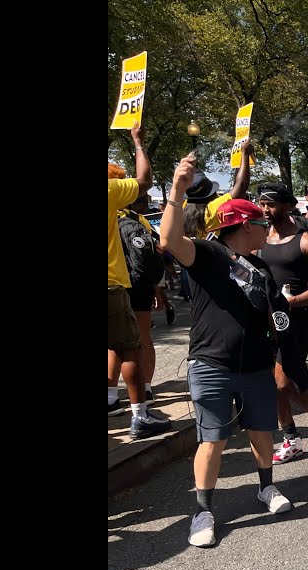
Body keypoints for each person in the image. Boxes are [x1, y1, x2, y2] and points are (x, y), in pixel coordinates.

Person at [158, 154, 296, 548]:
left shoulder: (261, 268)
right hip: (211, 364)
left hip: (255, 365)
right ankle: (203, 511)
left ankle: (266, 487)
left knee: (261, 431)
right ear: (243, 226)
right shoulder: (207, 254)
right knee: (212, 438)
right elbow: (168, 241)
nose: (266, 228)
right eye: (261, 223)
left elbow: (276, 316)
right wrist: (176, 192)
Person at [255, 182, 308, 463]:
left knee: (282, 381)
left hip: (297, 320)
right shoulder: (260, 237)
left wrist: (291, 301)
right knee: (271, 382)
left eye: (271, 204)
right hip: (266, 318)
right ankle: (291, 438)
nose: (265, 210)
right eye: (262, 204)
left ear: (288, 205)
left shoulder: (307, 241)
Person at [107, 123, 173, 439]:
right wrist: (137, 141)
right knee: (131, 347)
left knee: (112, 347)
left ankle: (110, 400)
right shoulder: (111, 193)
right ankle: (140, 415)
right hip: (113, 285)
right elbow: (144, 180)